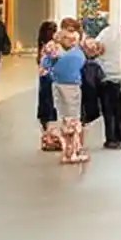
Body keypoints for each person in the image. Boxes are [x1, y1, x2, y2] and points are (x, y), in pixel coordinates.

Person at [50, 19, 88, 164]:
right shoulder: (74, 49)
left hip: (58, 83)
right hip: (71, 84)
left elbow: (46, 66)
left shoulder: (55, 47)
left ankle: (69, 151)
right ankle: (72, 152)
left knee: (66, 118)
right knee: (73, 118)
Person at [96, 17, 121, 150]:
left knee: (108, 110)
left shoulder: (104, 35)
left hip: (106, 76)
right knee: (117, 110)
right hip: (117, 75)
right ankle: (119, 137)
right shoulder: (118, 32)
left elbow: (97, 48)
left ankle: (111, 138)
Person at [36, 21, 59, 147]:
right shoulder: (52, 45)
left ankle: (46, 136)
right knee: (50, 105)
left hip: (43, 78)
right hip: (50, 78)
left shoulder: (42, 46)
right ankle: (50, 137)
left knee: (44, 104)